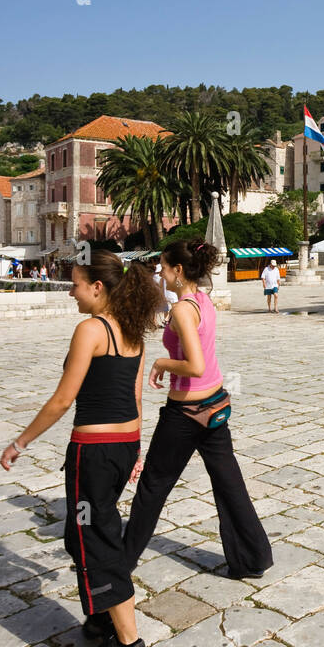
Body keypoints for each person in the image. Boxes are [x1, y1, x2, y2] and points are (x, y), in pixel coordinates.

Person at [0, 249, 160, 647]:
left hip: (93, 452)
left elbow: (63, 399)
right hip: (123, 446)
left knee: (96, 539)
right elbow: (137, 398)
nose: (71, 292)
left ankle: (129, 644)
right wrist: (136, 451)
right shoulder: (134, 333)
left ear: (97, 287)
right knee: (80, 531)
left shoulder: (91, 329)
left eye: (74, 284)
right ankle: (103, 610)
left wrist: (20, 442)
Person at [124, 241, 273, 587]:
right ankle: (254, 557)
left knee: (153, 486)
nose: (159, 271)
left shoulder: (182, 310)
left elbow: (194, 364)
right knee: (229, 483)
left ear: (178, 269)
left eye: (163, 265)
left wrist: (161, 361)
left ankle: (121, 561)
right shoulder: (204, 301)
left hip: (186, 412)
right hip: (216, 404)